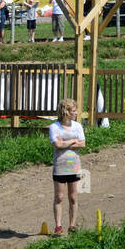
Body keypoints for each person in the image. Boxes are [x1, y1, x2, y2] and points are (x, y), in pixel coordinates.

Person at [49, 99, 85, 234]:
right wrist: (73, 140)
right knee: (59, 197)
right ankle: (58, 226)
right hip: (60, 165)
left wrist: (64, 142)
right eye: (73, 111)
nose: (76, 113)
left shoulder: (78, 126)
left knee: (73, 197)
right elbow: (56, 144)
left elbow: (82, 144)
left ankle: (72, 225)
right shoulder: (54, 127)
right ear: (65, 112)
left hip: (74, 165)